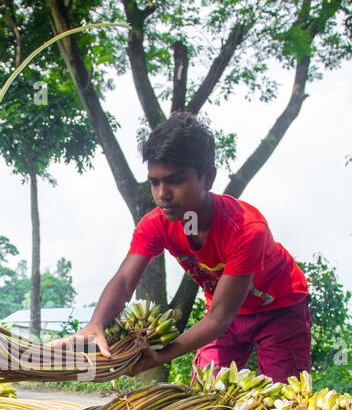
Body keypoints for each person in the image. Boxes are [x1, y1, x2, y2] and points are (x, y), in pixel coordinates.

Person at [52, 112, 310, 382]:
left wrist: (161, 356)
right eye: (154, 182)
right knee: (205, 392)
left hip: (279, 309)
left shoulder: (247, 229)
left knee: (284, 399)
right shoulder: (156, 224)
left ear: (207, 178)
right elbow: (125, 281)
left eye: (175, 181)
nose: (162, 193)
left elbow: (220, 317)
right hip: (224, 316)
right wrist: (96, 323)